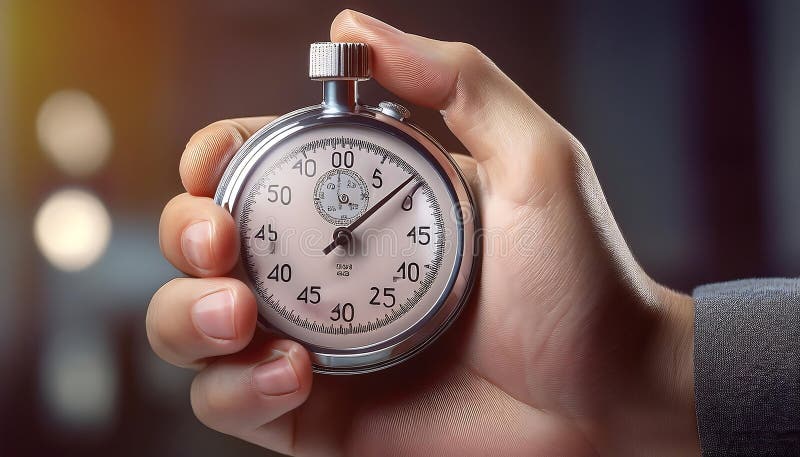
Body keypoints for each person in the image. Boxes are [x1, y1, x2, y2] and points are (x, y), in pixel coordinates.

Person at [147, 9, 798, 456]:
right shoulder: (274, 168)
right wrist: (652, 378)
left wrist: (646, 366)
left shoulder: (427, 187)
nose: (342, 234)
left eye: (359, 218)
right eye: (335, 227)